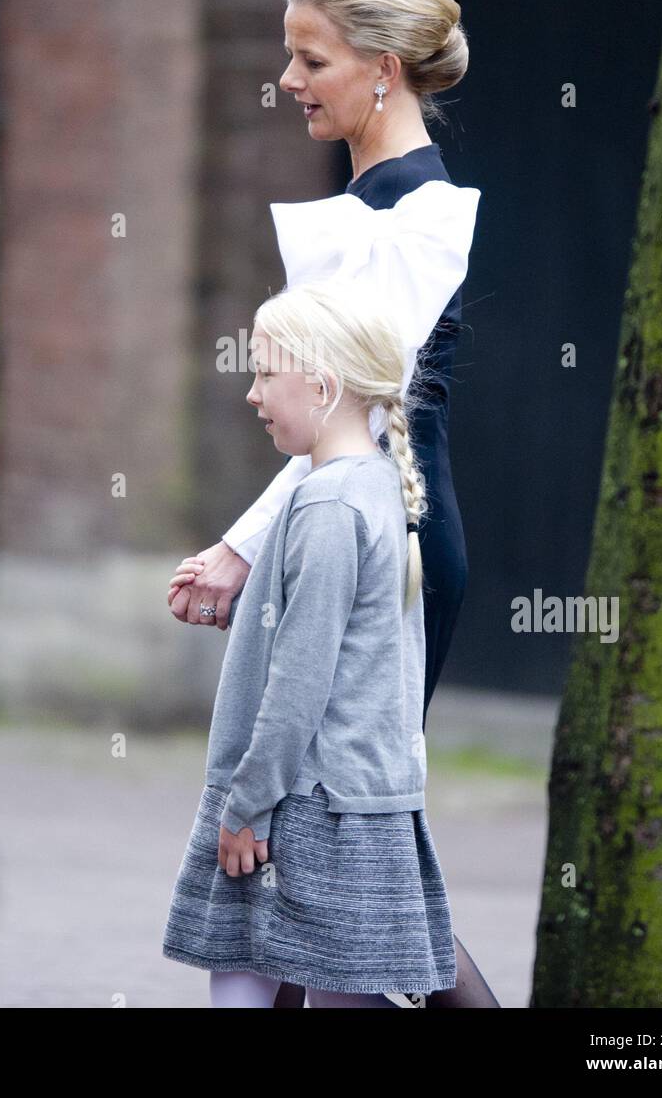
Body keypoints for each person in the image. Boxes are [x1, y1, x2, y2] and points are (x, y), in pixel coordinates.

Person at [168, 0, 499, 1008]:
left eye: (311, 60)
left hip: (388, 544)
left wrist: (235, 545)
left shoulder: (414, 218)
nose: (288, 79)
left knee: (346, 851)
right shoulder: (369, 203)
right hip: (352, 527)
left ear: (383, 68)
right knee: (324, 849)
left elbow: (357, 422)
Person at [162, 279, 461, 1006]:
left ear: (322, 386)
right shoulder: (373, 487)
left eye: (265, 372)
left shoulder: (327, 501)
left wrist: (247, 806)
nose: (252, 394)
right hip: (349, 800)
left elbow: (300, 681)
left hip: (299, 806)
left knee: (240, 979)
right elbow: (337, 638)